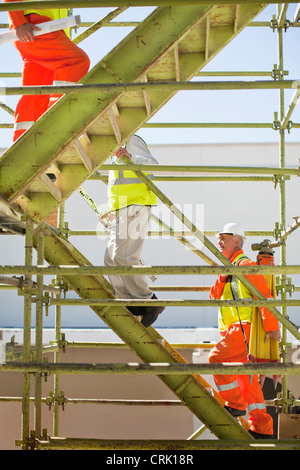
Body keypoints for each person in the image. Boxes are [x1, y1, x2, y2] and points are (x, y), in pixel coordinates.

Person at [209, 222, 281, 439]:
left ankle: (235, 404)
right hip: (233, 331)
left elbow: (265, 297)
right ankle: (263, 430)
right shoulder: (228, 269)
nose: (219, 241)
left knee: (215, 360)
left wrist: (272, 328)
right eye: (219, 237)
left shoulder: (245, 265)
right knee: (248, 384)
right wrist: (223, 274)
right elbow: (213, 296)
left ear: (237, 241)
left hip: (241, 330)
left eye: (224, 237)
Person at [4, 0, 90, 142]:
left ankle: (24, 141)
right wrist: (18, 21)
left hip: (39, 27)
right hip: (36, 26)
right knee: (76, 62)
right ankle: (56, 120)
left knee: (36, 91)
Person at [103, 134, 165, 328]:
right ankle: (129, 301)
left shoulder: (131, 140)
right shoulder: (114, 149)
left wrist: (131, 157)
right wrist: (111, 211)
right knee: (110, 259)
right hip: (122, 209)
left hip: (136, 205)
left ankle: (147, 300)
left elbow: (152, 164)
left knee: (123, 256)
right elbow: (117, 186)